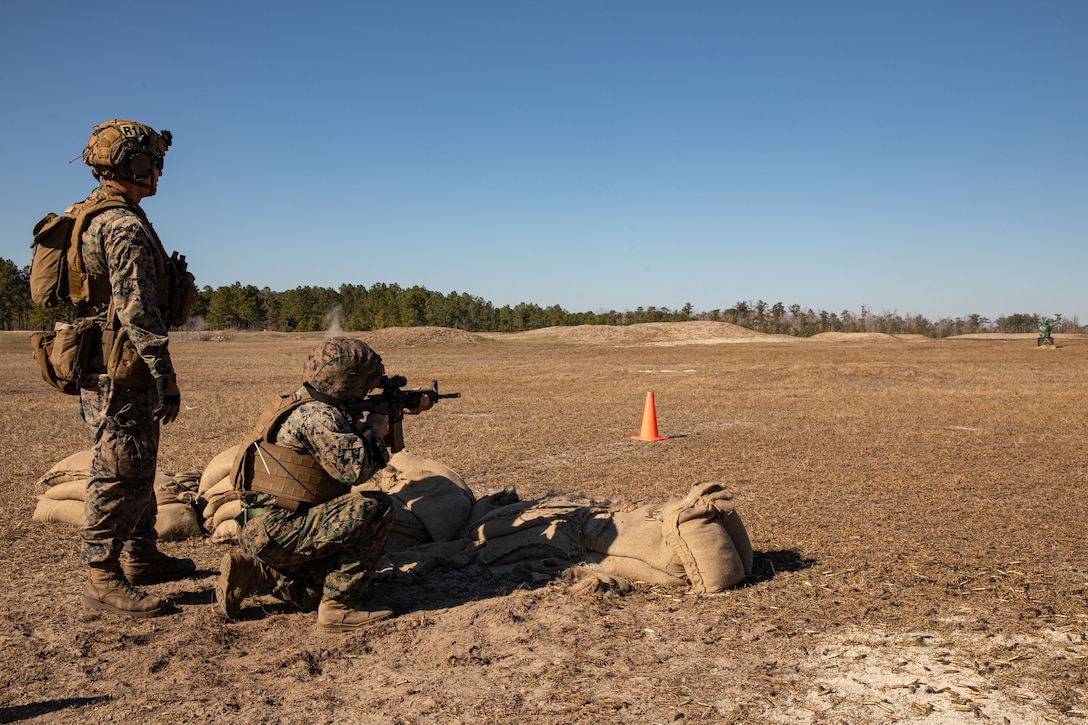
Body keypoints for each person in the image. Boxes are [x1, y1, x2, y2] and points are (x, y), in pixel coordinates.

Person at [215, 337, 433, 632]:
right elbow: (355, 471)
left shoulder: (302, 402)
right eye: (365, 385)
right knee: (376, 508)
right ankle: (338, 610)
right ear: (347, 382)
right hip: (281, 529)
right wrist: (376, 427)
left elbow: (343, 432)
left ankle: (256, 571)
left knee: (311, 593)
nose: (368, 390)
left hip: (264, 526)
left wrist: (395, 411)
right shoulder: (318, 418)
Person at [76, 119, 197, 618]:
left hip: (105, 359)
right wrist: (163, 373)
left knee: (138, 461)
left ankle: (140, 554)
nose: (161, 175)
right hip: (123, 364)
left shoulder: (96, 214)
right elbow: (137, 308)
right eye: (156, 164)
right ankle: (102, 575)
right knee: (117, 468)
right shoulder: (122, 225)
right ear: (135, 164)